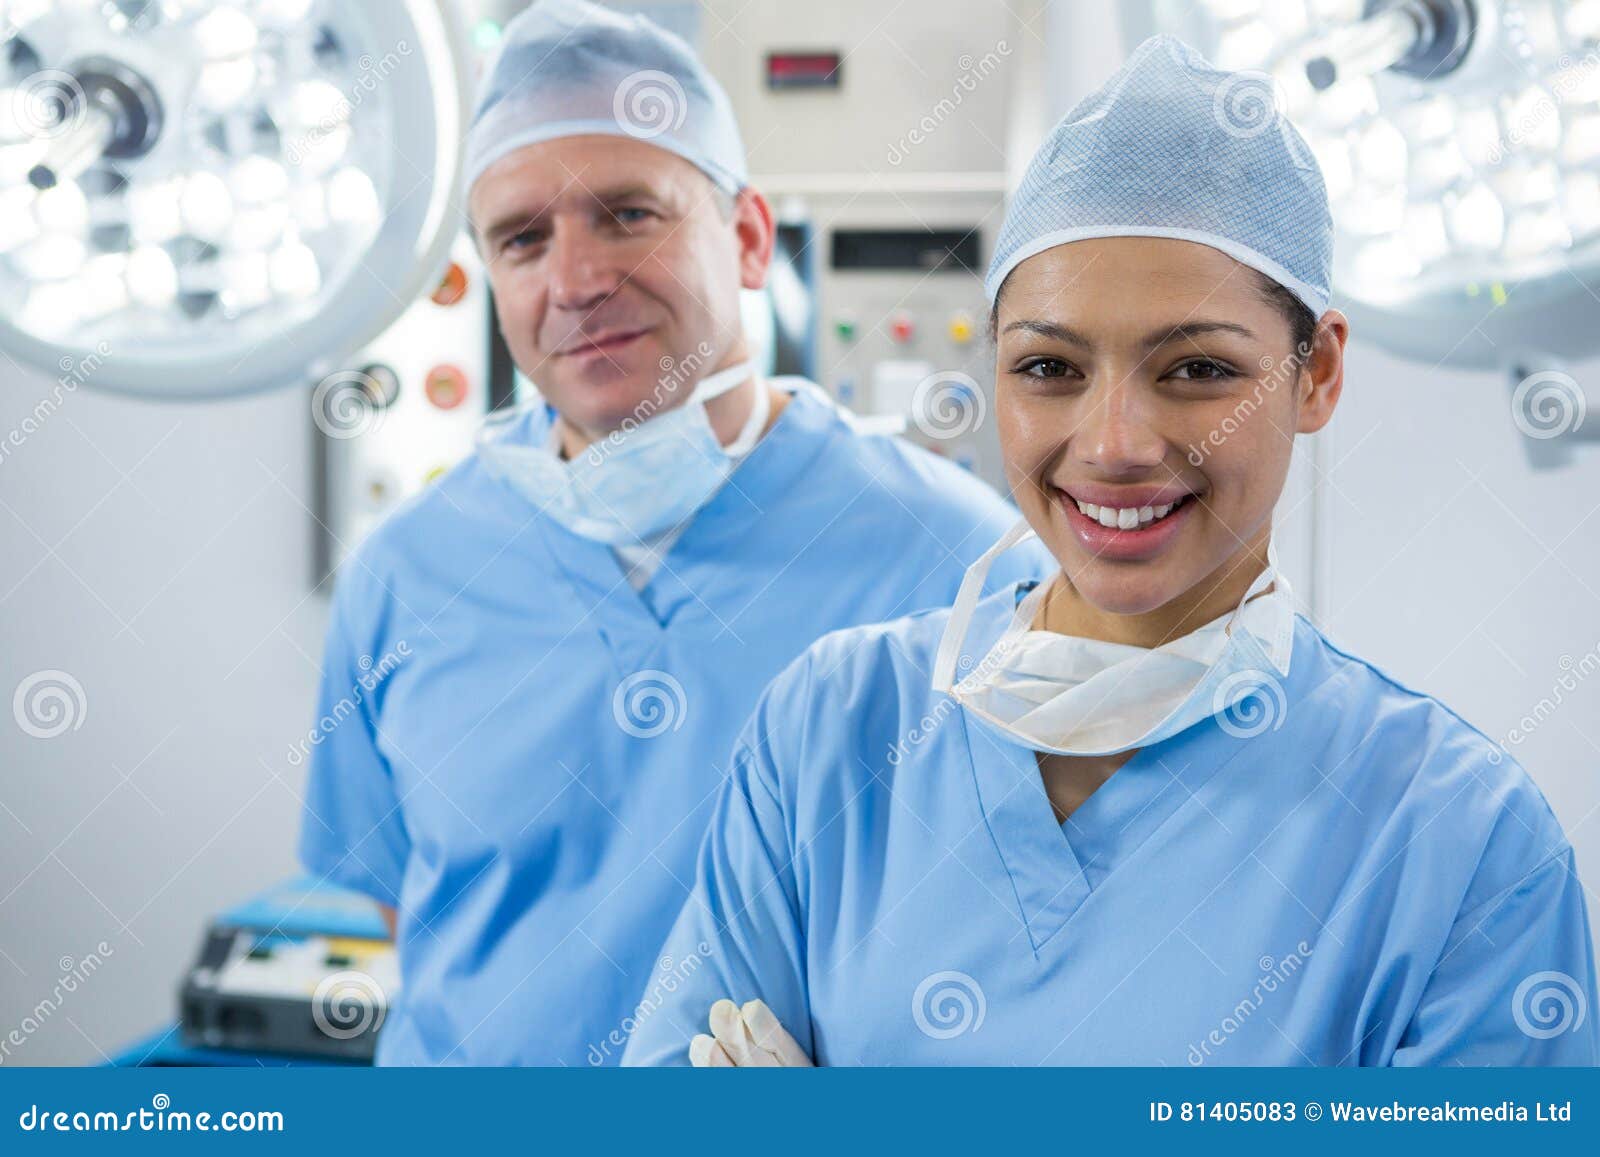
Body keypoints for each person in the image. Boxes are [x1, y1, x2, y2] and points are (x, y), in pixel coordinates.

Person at [623, 36, 1600, 1067]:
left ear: (1316, 375)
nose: (1116, 444)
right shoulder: (832, 732)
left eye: (1196, 369)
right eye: (1048, 365)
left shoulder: (1453, 839)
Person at [296, 0, 1049, 1065]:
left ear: (745, 237)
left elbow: (1036, 933)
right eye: (522, 239)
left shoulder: (960, 564)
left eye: (627, 213)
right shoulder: (408, 571)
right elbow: (388, 908)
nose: (575, 280)